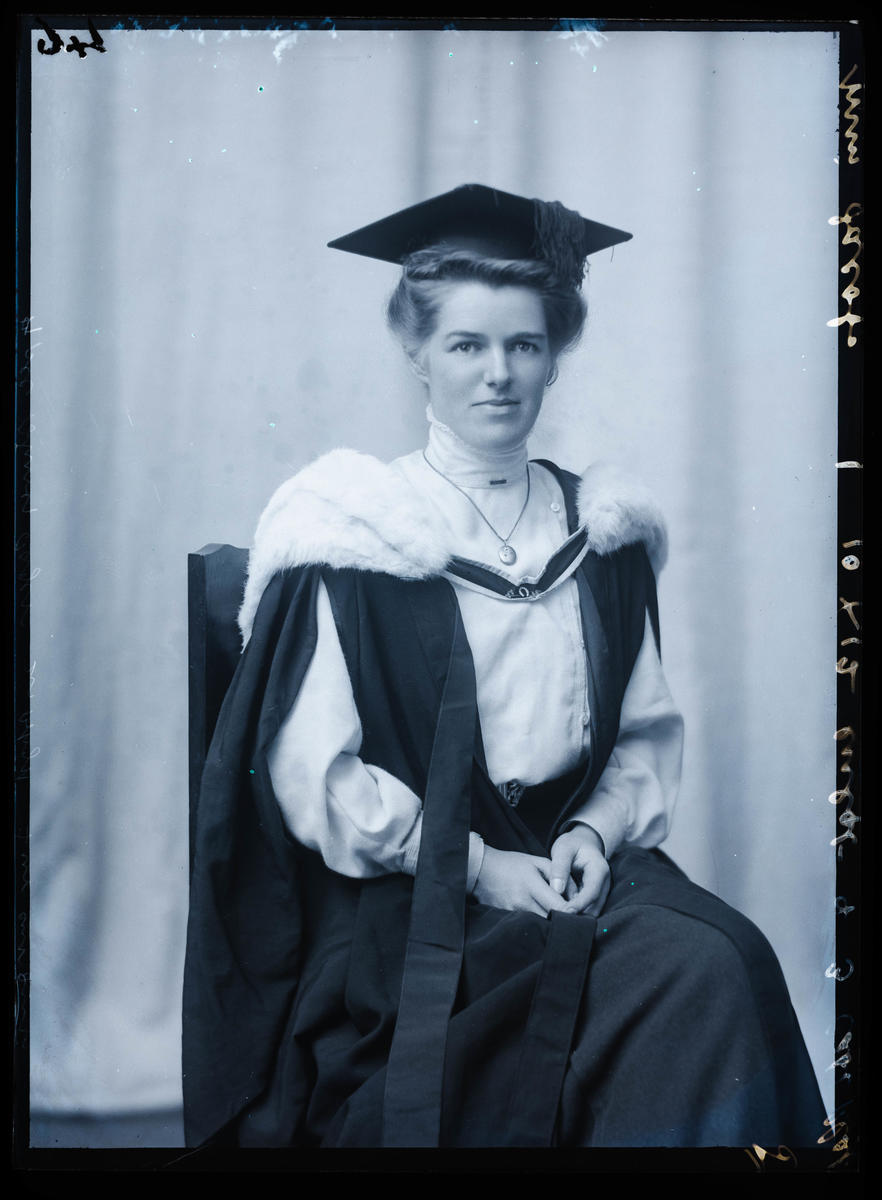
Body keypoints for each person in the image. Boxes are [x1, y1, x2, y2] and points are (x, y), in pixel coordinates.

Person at [182, 184, 826, 1149]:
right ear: (416, 350)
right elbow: (317, 780)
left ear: (555, 354)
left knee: (722, 961)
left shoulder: (598, 534)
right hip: (416, 898)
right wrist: (479, 866)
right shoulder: (357, 536)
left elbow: (641, 736)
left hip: (570, 864)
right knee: (668, 986)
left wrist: (597, 832)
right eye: (465, 346)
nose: (498, 375)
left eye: (524, 345)